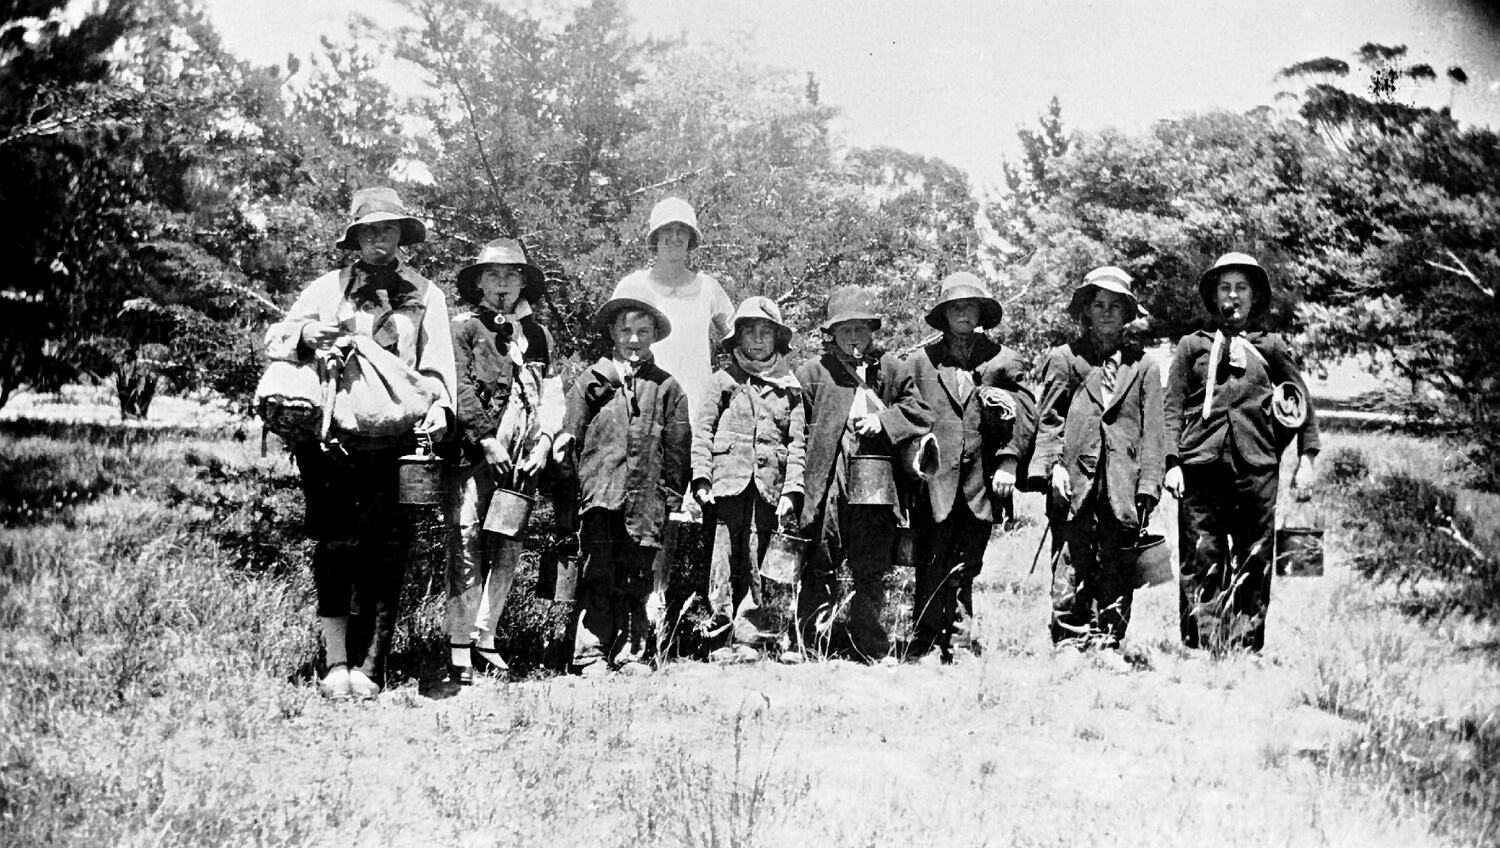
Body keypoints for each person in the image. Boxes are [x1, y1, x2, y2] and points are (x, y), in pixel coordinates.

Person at [263, 187, 457, 700]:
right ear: (355, 237)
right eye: (369, 230)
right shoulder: (328, 288)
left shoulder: (425, 294)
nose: (379, 240)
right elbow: (277, 338)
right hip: (331, 442)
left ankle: (372, 667)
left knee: (386, 552)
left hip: (397, 443)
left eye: (389, 230)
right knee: (334, 546)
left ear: (402, 237)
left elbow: (437, 367)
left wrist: (440, 409)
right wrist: (308, 338)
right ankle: (335, 661)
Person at [1163, 252, 1319, 652]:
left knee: (1255, 555)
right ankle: (1204, 640)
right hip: (1200, 466)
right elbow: (1172, 408)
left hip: (1257, 468)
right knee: (1203, 553)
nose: (1232, 296)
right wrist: (1172, 462)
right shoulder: (1191, 346)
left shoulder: (1270, 346)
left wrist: (1307, 460)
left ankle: (1245, 644)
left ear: (1254, 298)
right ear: (1214, 296)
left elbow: (1301, 402)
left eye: (1241, 288)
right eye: (1225, 288)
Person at [784, 286, 932, 664]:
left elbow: (918, 411)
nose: (854, 338)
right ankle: (810, 640)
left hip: (876, 477)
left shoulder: (891, 370)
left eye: (861, 330)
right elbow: (795, 427)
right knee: (821, 551)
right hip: (828, 476)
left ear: (872, 332)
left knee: (872, 560)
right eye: (846, 330)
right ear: (831, 334)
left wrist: (883, 420)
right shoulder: (812, 373)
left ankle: (869, 640)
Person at [609, 197, 734, 631]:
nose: (674, 240)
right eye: (667, 233)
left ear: (691, 240)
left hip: (694, 413)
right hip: (644, 407)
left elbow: (738, 338)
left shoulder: (710, 288)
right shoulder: (633, 284)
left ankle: (674, 617)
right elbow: (616, 341)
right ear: (655, 239)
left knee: (682, 511)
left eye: (682, 233)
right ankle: (630, 619)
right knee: (637, 505)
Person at [443, 238, 562, 685]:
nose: (502, 285)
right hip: (475, 456)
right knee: (467, 541)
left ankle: (486, 636)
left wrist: (545, 440)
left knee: (508, 543)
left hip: (522, 458)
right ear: (478, 283)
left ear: (522, 282)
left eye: (511, 276)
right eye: (492, 275)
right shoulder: (464, 329)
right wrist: (485, 440)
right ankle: (458, 644)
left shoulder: (537, 334)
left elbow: (549, 391)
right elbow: (458, 386)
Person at [554, 290, 691, 677]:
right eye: (626, 330)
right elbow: (571, 439)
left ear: (653, 336)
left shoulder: (667, 388)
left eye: (643, 331)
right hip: (601, 493)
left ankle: (631, 652)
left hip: (647, 498)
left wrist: (670, 497)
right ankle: (590, 653)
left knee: (636, 574)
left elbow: (678, 447)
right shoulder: (592, 380)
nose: (634, 339)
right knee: (598, 570)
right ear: (613, 332)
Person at [1031, 267, 1164, 658]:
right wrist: (1053, 465)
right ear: (1086, 311)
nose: (1106, 313)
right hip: (1074, 478)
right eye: (1098, 305)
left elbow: (1154, 433)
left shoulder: (1143, 367)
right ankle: (1070, 637)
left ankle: (1108, 639)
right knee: (1072, 555)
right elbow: (1049, 419)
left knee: (1118, 559)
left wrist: (1149, 486)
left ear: (1127, 313)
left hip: (1124, 480)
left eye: (1115, 306)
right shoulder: (1065, 360)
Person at [902, 271, 1031, 664]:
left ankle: (959, 641)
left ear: (981, 313)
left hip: (981, 483)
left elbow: (1027, 413)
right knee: (930, 561)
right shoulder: (919, 362)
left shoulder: (1002, 361)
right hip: (934, 481)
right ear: (943, 315)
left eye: (969, 306)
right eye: (954, 307)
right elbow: (905, 411)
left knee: (966, 564)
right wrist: (913, 456)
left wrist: (1009, 459)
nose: (962, 314)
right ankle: (923, 641)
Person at [690, 296, 804, 662]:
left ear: (777, 339)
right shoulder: (722, 381)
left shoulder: (790, 388)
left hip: (767, 487)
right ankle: (718, 636)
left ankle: (749, 638)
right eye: (749, 331)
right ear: (736, 338)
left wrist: (791, 489)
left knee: (757, 559)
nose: (757, 339)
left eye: (766, 332)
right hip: (727, 485)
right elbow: (702, 433)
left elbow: (797, 443)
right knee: (722, 557)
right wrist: (702, 478)